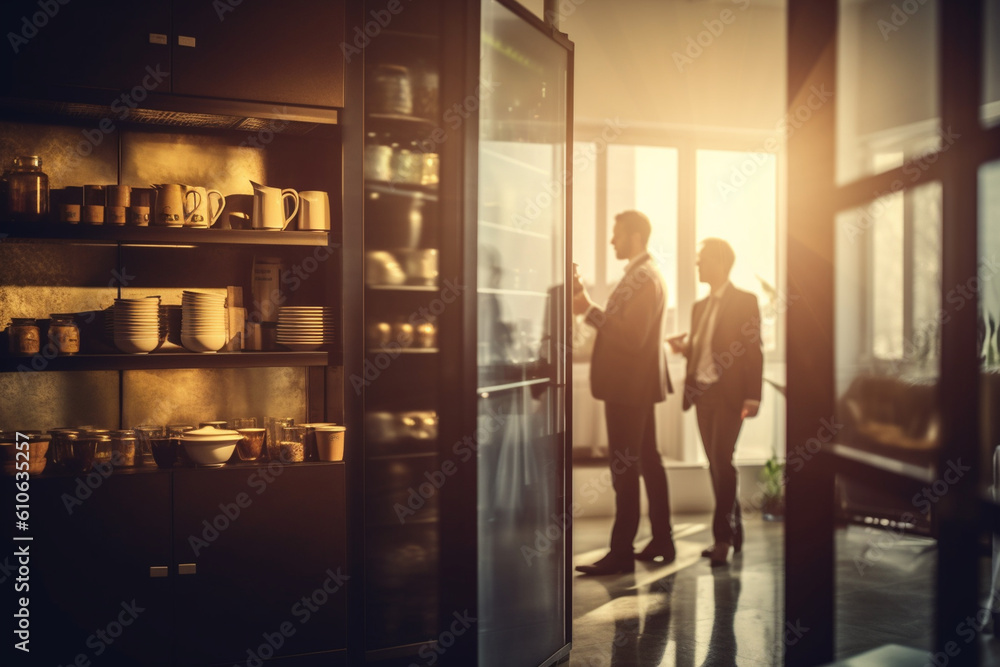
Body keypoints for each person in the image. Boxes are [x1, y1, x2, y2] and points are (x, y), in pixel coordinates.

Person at [572, 210, 675, 576]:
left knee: (625, 468)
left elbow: (632, 337)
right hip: (635, 387)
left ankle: (621, 553)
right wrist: (586, 303)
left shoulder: (643, 276)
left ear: (635, 236)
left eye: (617, 234)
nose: (612, 240)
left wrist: (588, 309)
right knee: (647, 461)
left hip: (628, 389)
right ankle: (662, 539)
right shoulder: (643, 273)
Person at [667, 238, 763, 566]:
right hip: (702, 394)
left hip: (729, 395)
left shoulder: (746, 301)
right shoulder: (699, 307)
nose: (697, 265)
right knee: (715, 463)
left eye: (702, 260)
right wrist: (686, 350)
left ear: (720, 263)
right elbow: (705, 349)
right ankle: (734, 531)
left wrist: (753, 395)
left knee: (722, 460)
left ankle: (722, 538)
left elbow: (753, 350)